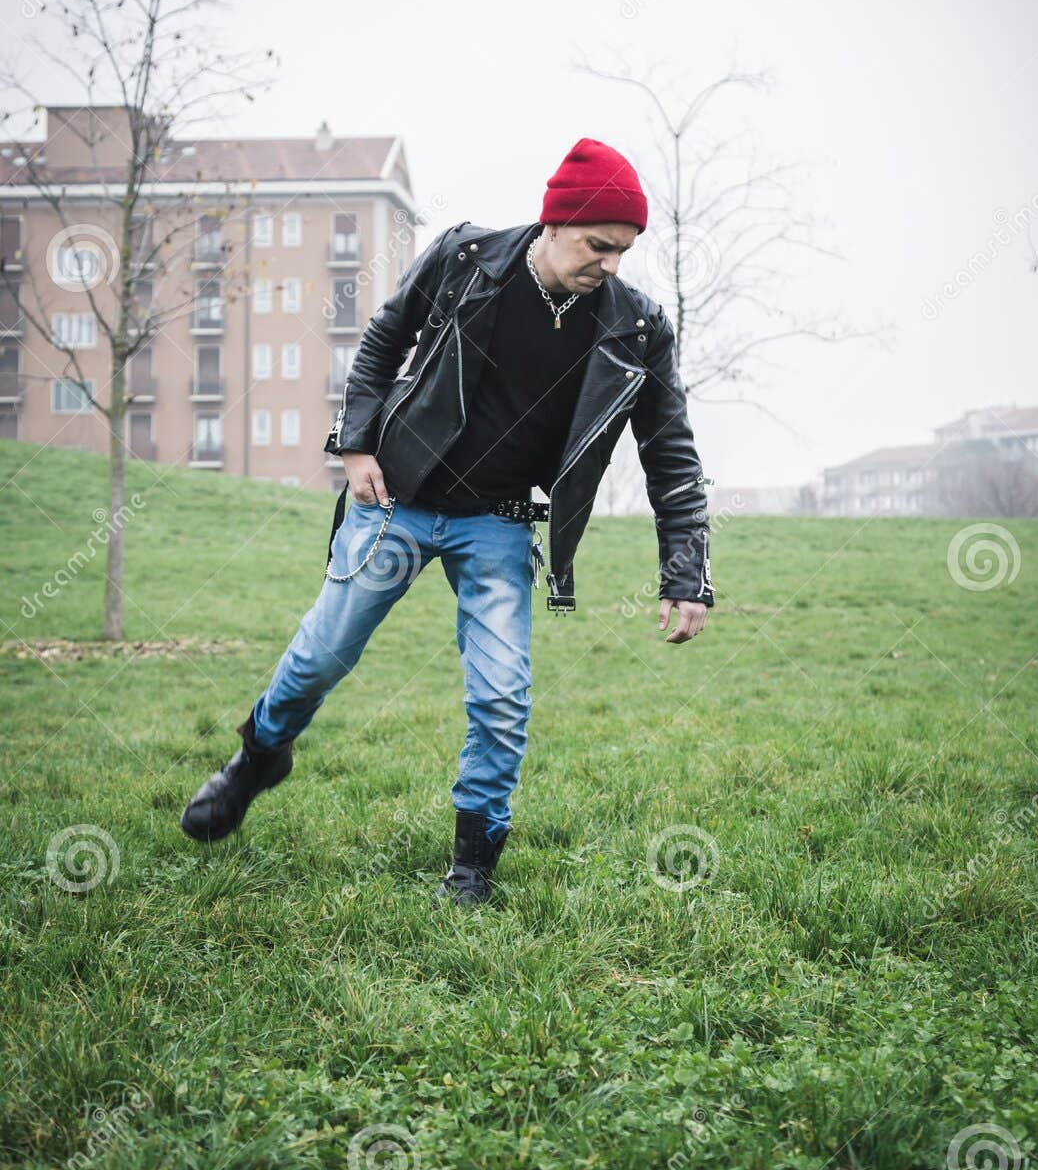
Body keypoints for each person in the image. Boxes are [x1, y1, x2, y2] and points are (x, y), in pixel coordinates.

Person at [180, 139, 714, 906]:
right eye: (599, 246)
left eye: (624, 251)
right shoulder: (465, 258)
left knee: (501, 694)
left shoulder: (636, 328)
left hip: (497, 521)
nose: (612, 264)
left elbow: (670, 451)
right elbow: (382, 339)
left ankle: (471, 871)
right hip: (396, 499)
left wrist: (686, 574)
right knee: (320, 655)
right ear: (554, 224)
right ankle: (258, 758)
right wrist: (355, 443)